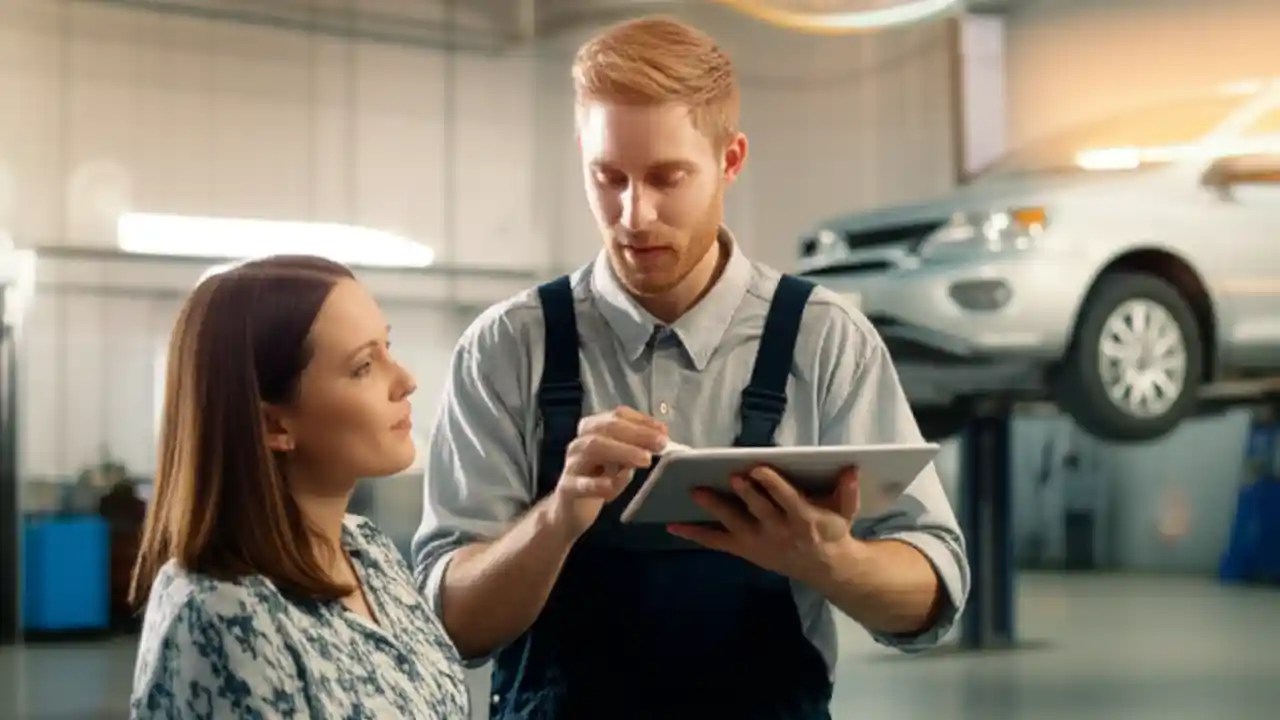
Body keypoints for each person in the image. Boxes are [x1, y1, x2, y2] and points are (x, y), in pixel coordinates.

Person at [413, 15, 971, 719]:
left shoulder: (825, 341)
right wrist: (556, 520)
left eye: (666, 178)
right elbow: (451, 625)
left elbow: (932, 588)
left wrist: (828, 558)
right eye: (607, 177)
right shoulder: (506, 348)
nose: (634, 215)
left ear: (731, 160)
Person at [129, 255, 469, 719]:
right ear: (273, 423)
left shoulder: (367, 549)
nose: (406, 381)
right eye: (364, 366)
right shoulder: (226, 614)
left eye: (387, 346)